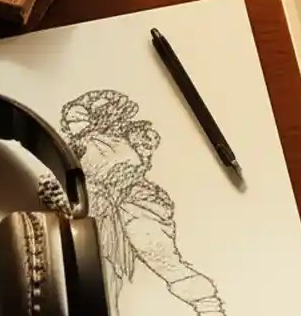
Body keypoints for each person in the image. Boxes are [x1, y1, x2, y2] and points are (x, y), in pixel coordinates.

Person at [41, 90, 226, 315]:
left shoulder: (118, 143)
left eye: (79, 119)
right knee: (98, 275)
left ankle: (208, 306)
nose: (73, 123)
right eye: (71, 120)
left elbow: (125, 167)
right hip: (98, 212)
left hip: (134, 205)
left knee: (162, 259)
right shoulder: (77, 147)